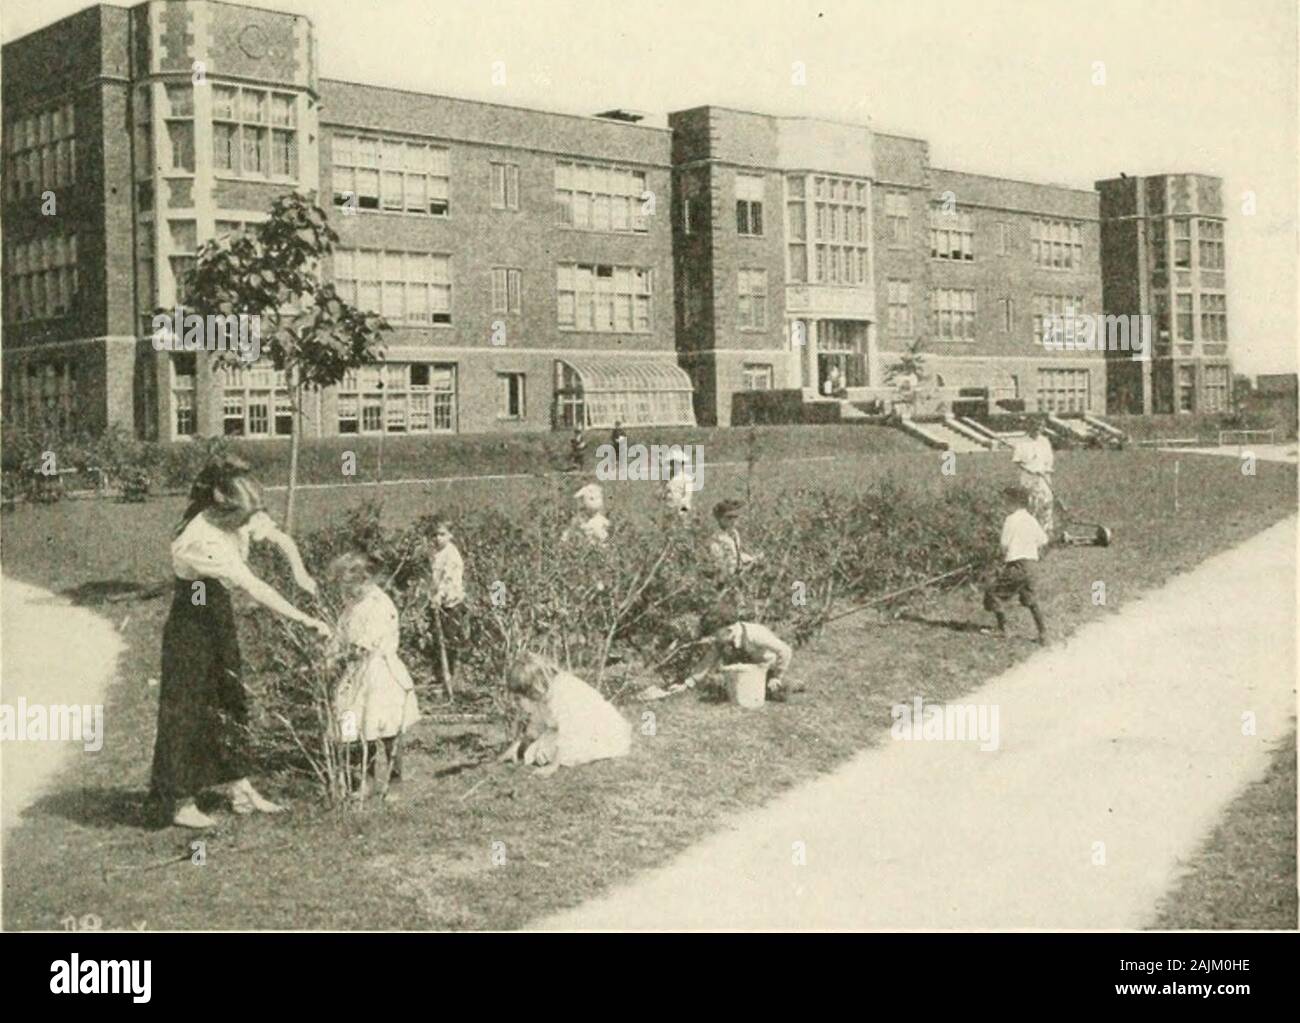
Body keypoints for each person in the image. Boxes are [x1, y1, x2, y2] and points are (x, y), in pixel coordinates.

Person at [151, 465, 331, 829]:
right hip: (191, 615)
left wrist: (300, 574)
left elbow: (281, 539)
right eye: (244, 514)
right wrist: (304, 619)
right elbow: (253, 587)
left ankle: (239, 787)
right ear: (221, 504)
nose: (250, 520)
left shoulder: (236, 516)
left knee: (231, 697)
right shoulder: (201, 538)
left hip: (215, 609)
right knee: (186, 705)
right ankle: (177, 800)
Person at [328, 553, 420, 799]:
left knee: (386, 728)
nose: (345, 591)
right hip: (355, 673)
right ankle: (365, 780)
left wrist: (346, 654)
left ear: (366, 579)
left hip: (379, 673)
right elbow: (340, 635)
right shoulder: (352, 606)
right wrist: (330, 654)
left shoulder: (380, 604)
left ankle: (395, 780)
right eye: (342, 585)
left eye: (350, 584)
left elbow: (365, 643)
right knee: (353, 727)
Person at [498, 652, 632, 775]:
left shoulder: (563, 693)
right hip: (571, 729)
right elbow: (537, 722)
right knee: (537, 749)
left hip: (597, 730)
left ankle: (550, 756)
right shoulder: (542, 695)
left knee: (553, 752)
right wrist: (521, 744)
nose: (528, 698)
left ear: (538, 683)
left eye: (529, 693)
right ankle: (521, 752)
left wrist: (553, 766)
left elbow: (568, 732)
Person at [682, 599, 804, 702]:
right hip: (746, 670)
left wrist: (777, 676)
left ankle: (792, 684)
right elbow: (708, 661)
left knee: (776, 693)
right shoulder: (724, 639)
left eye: (715, 634)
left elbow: (785, 650)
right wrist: (688, 683)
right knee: (728, 691)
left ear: (729, 630)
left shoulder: (755, 634)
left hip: (766, 670)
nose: (713, 638)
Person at [983, 485, 1050, 646]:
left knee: (993, 591)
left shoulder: (1010, 519)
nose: (1005, 504)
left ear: (1014, 502)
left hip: (1017, 565)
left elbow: (1004, 543)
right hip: (1032, 565)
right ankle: (1043, 634)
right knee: (1030, 599)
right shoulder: (1031, 519)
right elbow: (1043, 540)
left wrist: (1002, 554)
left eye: (1006, 501)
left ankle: (1003, 629)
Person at [427, 517, 466, 693]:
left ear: (450, 535)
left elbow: (449, 579)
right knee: (437, 639)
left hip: (451, 602)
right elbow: (435, 579)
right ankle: (440, 676)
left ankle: (450, 679)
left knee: (449, 640)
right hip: (438, 602)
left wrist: (440, 595)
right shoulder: (435, 553)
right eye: (434, 535)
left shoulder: (452, 554)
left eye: (442, 534)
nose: (438, 538)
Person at [1012, 416, 1056, 537]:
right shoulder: (1021, 442)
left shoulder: (1045, 441)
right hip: (1028, 478)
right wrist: (1031, 470)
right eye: (1035, 426)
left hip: (1044, 478)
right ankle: (1031, 533)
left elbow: (1049, 460)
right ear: (1029, 427)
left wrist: (1047, 470)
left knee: (1047, 503)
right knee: (1032, 504)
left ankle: (1046, 532)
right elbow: (1018, 461)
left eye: (1040, 426)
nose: (1037, 429)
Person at [708, 498, 757, 582]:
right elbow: (720, 564)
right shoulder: (716, 539)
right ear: (719, 518)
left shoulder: (734, 533)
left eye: (735, 517)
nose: (733, 521)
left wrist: (750, 559)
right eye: (729, 517)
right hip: (725, 576)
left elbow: (736, 553)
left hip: (737, 569)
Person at [663, 450, 694, 519]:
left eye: (677, 463)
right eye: (672, 463)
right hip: (669, 508)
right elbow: (664, 494)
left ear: (682, 464)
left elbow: (687, 496)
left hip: (682, 509)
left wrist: (681, 511)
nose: (674, 465)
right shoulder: (667, 478)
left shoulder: (687, 478)